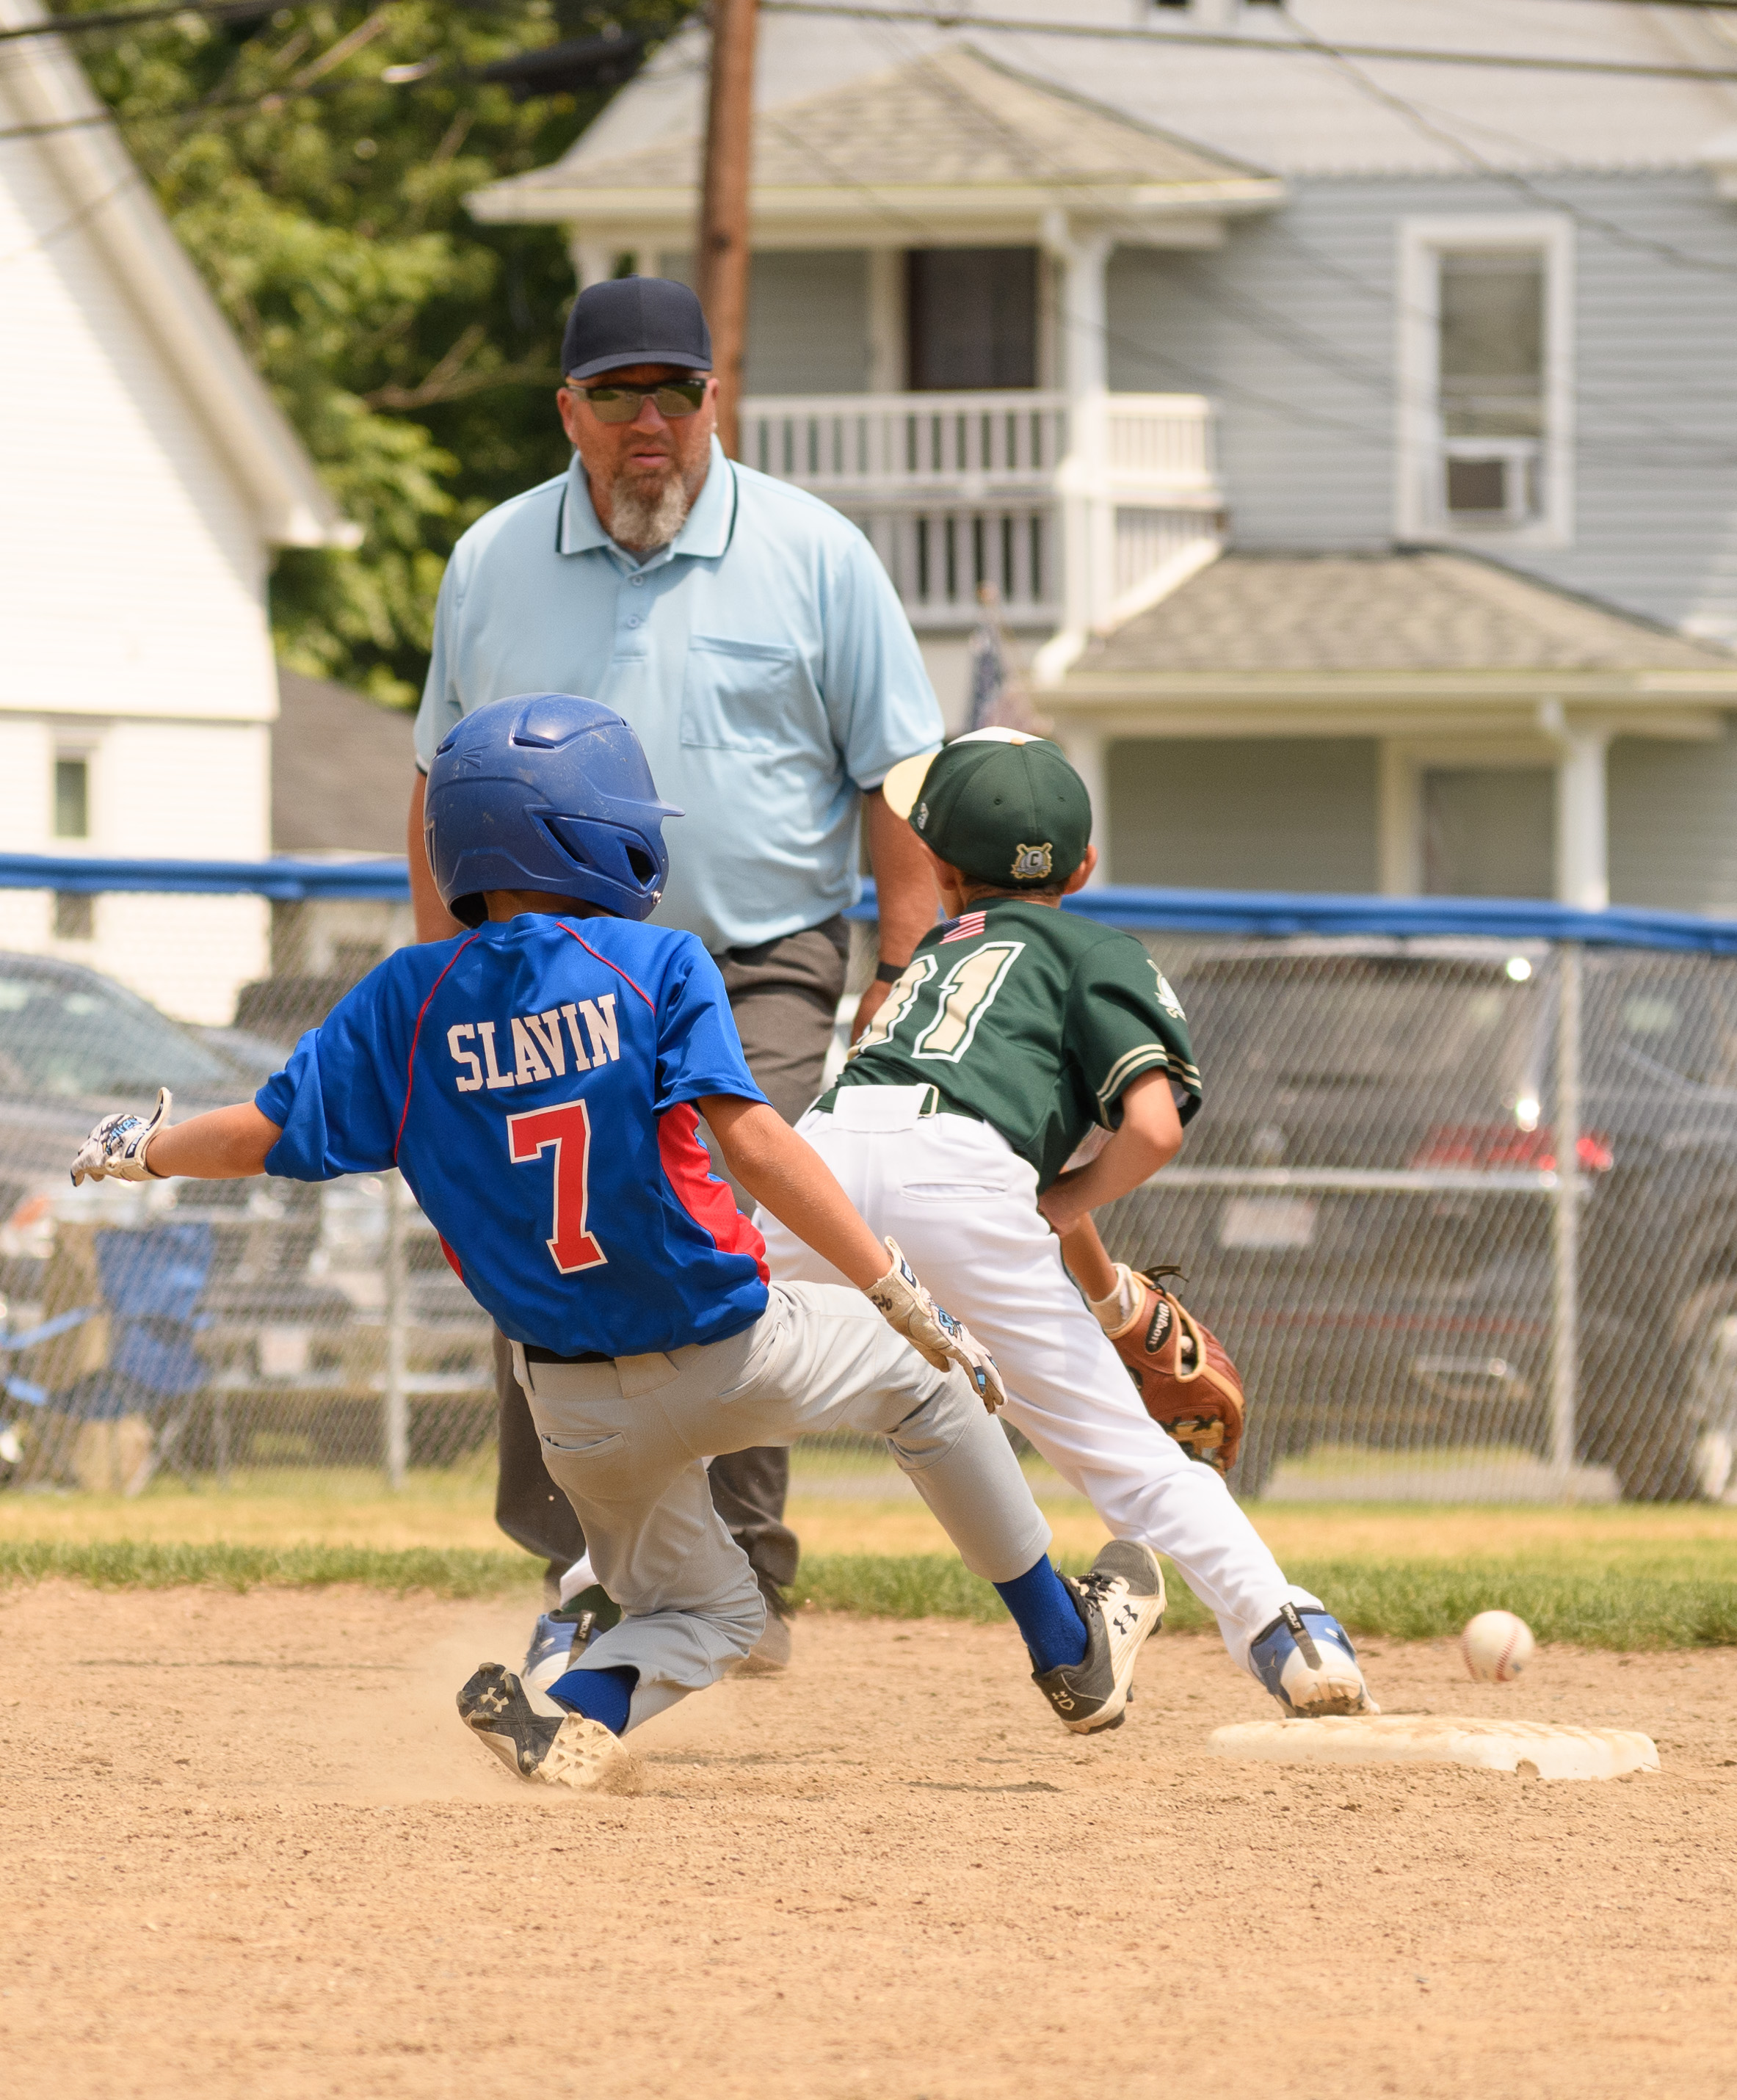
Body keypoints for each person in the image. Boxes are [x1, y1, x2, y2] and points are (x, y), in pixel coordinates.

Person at [68, 697, 1168, 1790]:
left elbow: (256, 1137)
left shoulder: (404, 997)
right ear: (589, 830)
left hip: (573, 1412)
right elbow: (760, 1150)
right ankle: (1067, 1648)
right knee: (929, 1391)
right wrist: (897, 1291)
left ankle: (565, 1714)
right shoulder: (658, 961)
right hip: (726, 1342)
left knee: (704, 1608)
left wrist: (142, 1146)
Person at [408, 275, 946, 1674]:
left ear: (715, 400)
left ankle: (744, 1576)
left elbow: (897, 773)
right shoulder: (492, 558)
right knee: (548, 1235)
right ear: (569, 411)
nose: (649, 422)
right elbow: (437, 782)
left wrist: (902, 959)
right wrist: (440, 972)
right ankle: (580, 1560)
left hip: (756, 954)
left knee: (724, 1230)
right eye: (616, 395)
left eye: (676, 392)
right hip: (543, 966)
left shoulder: (815, 552)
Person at [754, 728, 1378, 1720]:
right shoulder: (1092, 949)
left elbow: (959, 1154)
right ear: (1084, 865)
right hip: (957, 1175)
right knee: (1122, 1456)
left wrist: (1092, 1275)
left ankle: (589, 1607)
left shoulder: (926, 962)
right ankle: (1292, 1635)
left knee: (700, 1381)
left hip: (813, 1164)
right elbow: (1147, 1128)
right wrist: (1068, 1214)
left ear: (943, 873)